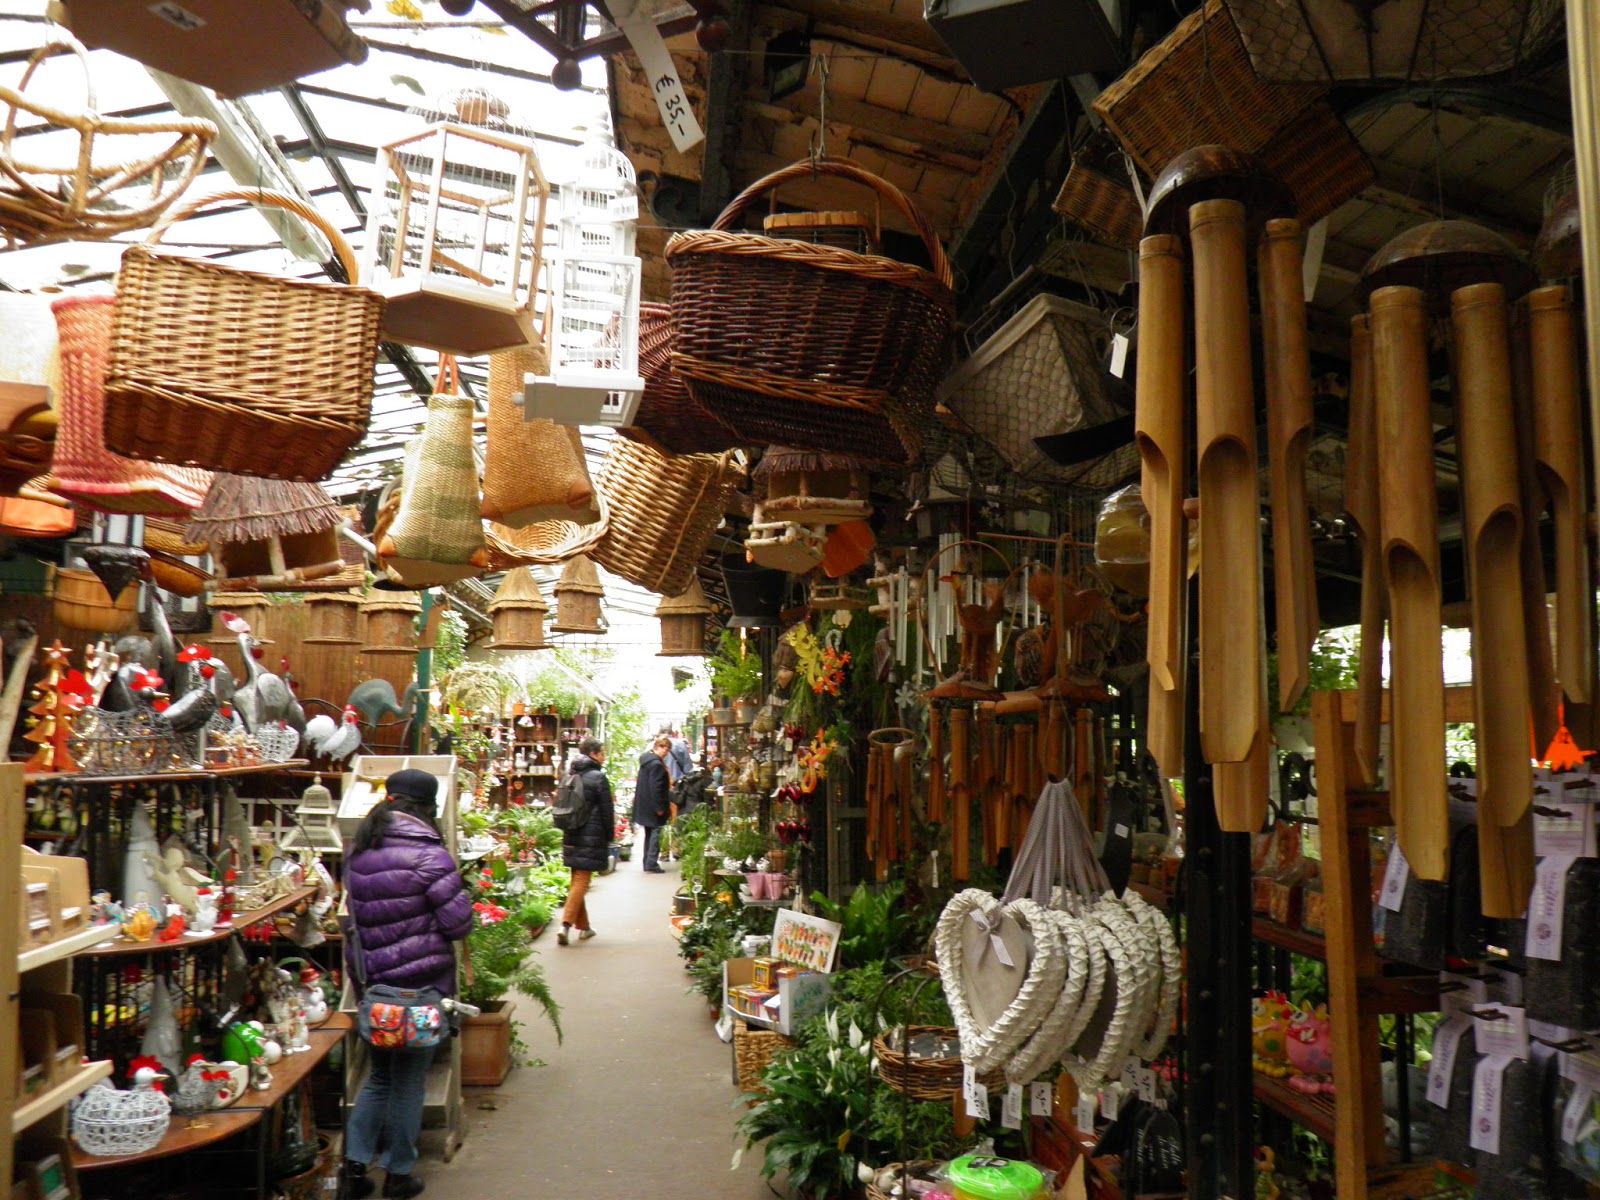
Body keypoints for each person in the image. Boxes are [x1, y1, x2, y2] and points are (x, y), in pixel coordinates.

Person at [342, 769, 471, 1200]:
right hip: (420, 990)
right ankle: (398, 1175)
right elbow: (458, 924)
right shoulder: (431, 857)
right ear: (427, 809)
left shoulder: (361, 851)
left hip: (376, 988)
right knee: (409, 1083)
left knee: (379, 1079)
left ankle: (353, 1170)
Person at [558, 737, 613, 945]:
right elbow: (607, 811)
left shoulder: (570, 774)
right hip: (592, 834)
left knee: (576, 880)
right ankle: (565, 925)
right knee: (582, 880)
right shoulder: (598, 777)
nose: (604, 756)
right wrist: (609, 836)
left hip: (571, 832)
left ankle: (584, 927)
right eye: (602, 752)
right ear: (594, 755)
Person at [633, 735, 673, 872]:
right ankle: (651, 863)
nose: (666, 752)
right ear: (656, 747)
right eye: (664, 748)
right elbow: (656, 787)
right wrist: (659, 807)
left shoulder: (647, 761)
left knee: (649, 834)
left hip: (645, 805)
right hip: (653, 807)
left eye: (668, 749)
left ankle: (647, 861)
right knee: (655, 834)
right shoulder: (656, 764)